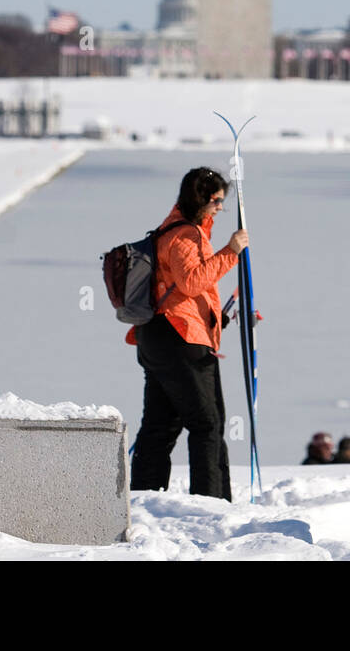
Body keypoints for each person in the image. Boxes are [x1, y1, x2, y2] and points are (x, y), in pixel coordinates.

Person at [128, 166, 248, 500]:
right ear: (202, 198)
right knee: (207, 424)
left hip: (160, 338)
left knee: (160, 425)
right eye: (217, 201)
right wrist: (231, 252)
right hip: (180, 340)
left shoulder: (175, 230)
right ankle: (212, 503)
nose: (220, 208)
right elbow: (192, 282)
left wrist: (215, 319)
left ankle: (142, 499)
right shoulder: (183, 235)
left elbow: (186, 291)